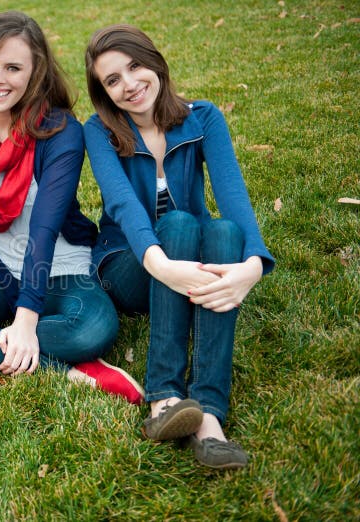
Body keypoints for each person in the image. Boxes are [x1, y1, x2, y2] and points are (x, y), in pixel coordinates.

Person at [0, 11, 143, 404]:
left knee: (93, 328)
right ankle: (70, 370)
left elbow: (44, 230)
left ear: (35, 72)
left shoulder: (61, 131)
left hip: (60, 269)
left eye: (13, 68)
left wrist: (26, 316)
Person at [83, 25, 275, 469]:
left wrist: (251, 266)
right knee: (179, 222)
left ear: (155, 62)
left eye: (134, 66)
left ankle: (209, 416)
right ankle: (164, 398)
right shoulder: (99, 130)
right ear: (104, 92)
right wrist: (162, 265)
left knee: (224, 233)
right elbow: (122, 204)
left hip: (187, 258)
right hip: (129, 265)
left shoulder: (202, 116)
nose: (129, 84)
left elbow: (233, 197)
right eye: (112, 80)